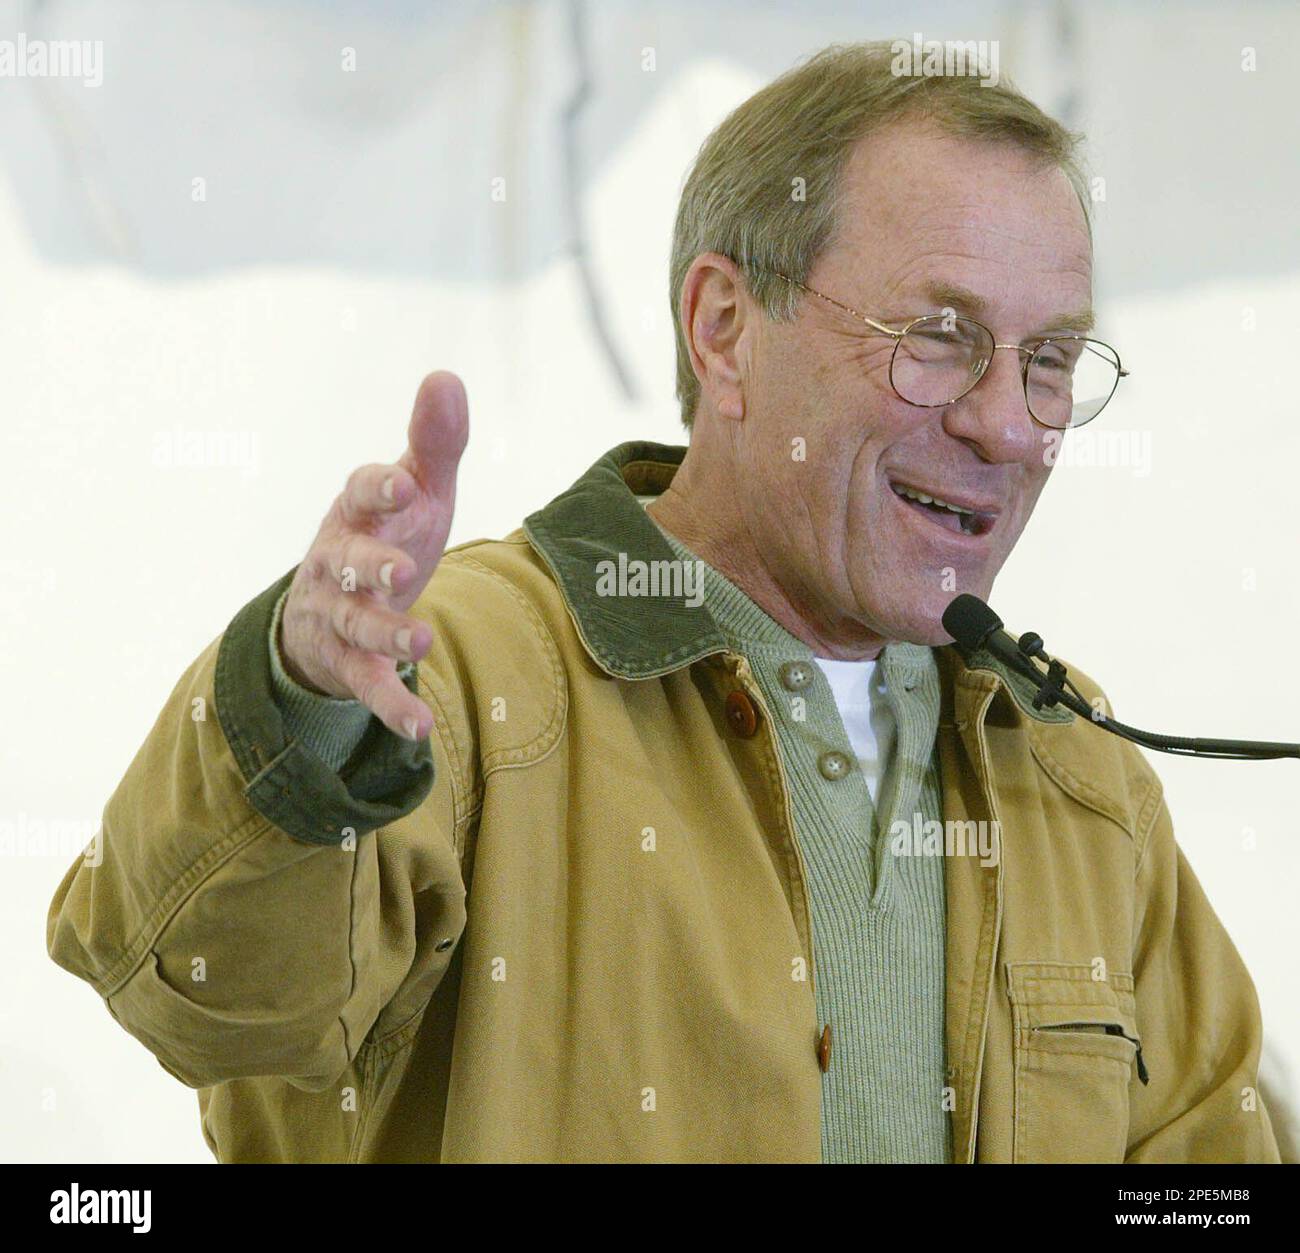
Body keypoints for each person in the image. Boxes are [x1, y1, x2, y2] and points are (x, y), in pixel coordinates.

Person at [47, 41, 1280, 1163]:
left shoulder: (1073, 768)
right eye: (940, 336)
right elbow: (207, 1002)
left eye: (1050, 360)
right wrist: (302, 702)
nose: (1007, 423)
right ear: (725, 327)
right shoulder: (466, 667)